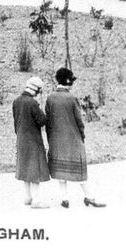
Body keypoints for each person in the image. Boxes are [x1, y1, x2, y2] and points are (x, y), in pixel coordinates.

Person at [45, 68, 106, 208]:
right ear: (67, 81)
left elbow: (48, 121)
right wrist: (82, 135)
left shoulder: (50, 98)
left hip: (56, 139)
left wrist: (50, 139)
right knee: (80, 169)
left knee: (61, 171)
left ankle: (64, 198)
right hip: (73, 139)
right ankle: (89, 197)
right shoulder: (71, 98)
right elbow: (79, 121)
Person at [12, 76, 50, 208]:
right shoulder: (32, 103)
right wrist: (41, 106)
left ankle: (27, 197)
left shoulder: (16, 101)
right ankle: (37, 201)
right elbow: (42, 121)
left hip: (21, 139)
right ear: (37, 89)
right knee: (35, 170)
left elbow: (16, 121)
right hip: (33, 140)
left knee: (25, 169)